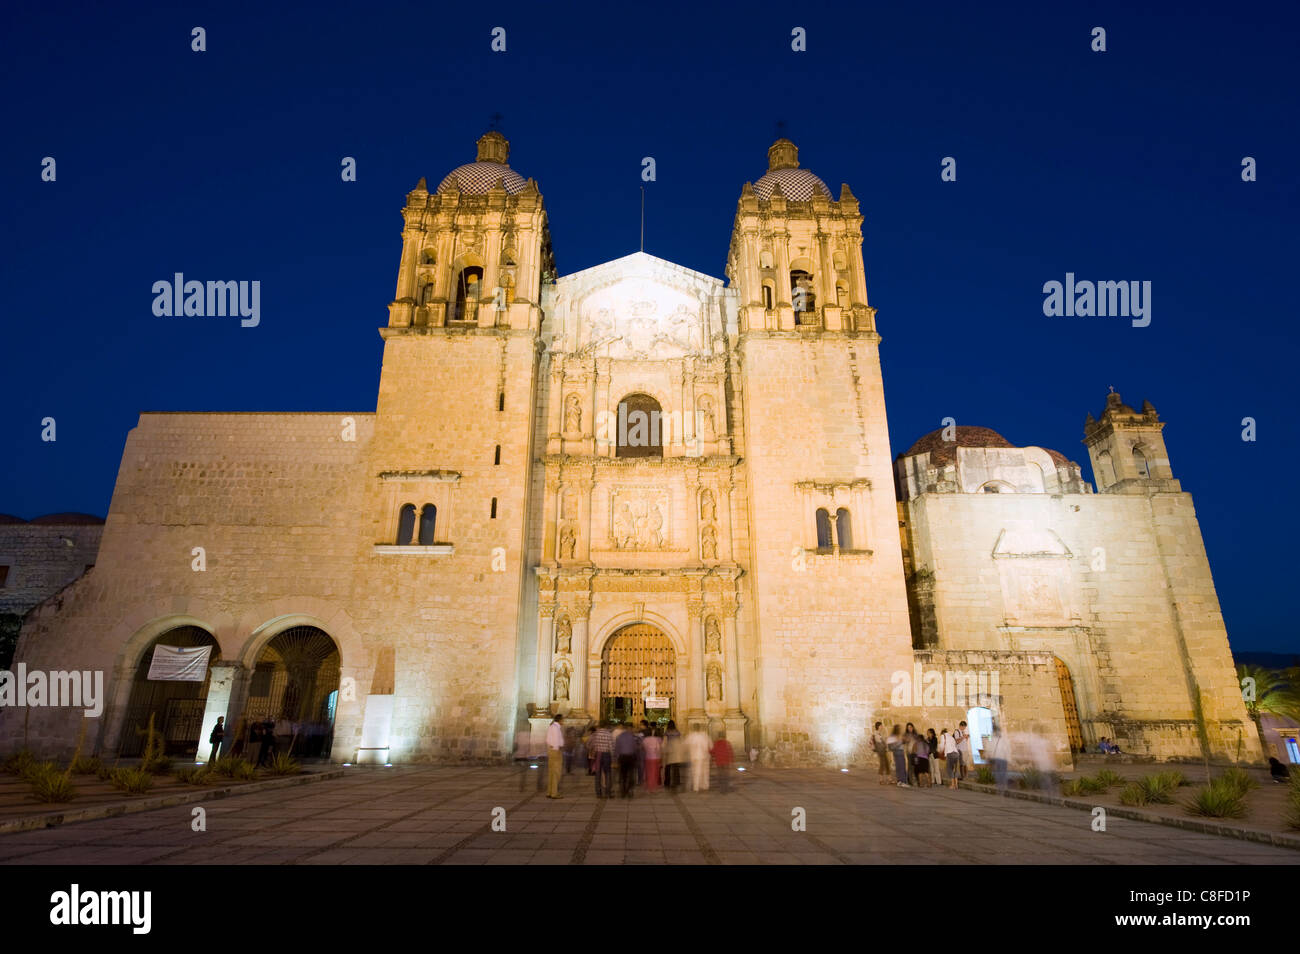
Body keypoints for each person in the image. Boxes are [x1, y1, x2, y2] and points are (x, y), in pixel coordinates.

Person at [614, 720, 641, 798]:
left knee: (623, 774)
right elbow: (635, 748)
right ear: (631, 728)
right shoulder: (633, 737)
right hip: (630, 757)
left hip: (622, 757)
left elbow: (617, 748)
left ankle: (623, 790)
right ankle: (629, 790)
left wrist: (615, 759)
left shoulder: (620, 736)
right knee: (631, 774)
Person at [590, 722, 614, 797]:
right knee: (607, 773)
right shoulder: (609, 734)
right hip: (606, 754)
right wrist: (613, 757)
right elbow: (611, 746)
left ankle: (598, 792)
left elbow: (590, 744)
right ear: (606, 726)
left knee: (598, 774)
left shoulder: (595, 734)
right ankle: (608, 792)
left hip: (598, 755)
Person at [686, 725, 712, 792]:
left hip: (694, 756)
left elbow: (686, 745)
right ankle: (705, 785)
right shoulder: (704, 735)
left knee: (696, 772)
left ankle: (696, 787)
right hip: (704, 756)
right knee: (705, 772)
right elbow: (710, 746)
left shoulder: (691, 736)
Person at [546, 712, 565, 798]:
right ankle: (554, 793)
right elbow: (556, 740)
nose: (563, 721)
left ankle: (550, 792)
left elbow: (548, 739)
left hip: (551, 750)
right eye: (563, 719)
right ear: (560, 720)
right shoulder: (556, 728)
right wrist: (558, 749)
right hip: (556, 751)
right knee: (556, 772)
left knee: (551, 772)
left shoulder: (552, 726)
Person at [663, 721, 685, 791]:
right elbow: (681, 741)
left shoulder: (667, 732)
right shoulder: (677, 732)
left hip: (669, 751)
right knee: (676, 768)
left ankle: (667, 782)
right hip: (676, 751)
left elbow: (664, 742)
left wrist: (663, 750)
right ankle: (676, 782)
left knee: (667, 768)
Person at [871, 721, 891, 786]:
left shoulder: (880, 733)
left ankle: (889, 779)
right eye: (881, 726)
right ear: (878, 726)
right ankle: (881, 780)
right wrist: (884, 742)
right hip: (881, 751)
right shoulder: (876, 733)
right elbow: (880, 741)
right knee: (882, 764)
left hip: (883, 750)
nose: (882, 727)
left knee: (887, 764)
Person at [643, 728, 663, 792]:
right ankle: (654, 786)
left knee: (648, 772)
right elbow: (658, 749)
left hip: (647, 757)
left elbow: (643, 748)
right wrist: (660, 757)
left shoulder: (645, 739)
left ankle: (649, 786)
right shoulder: (655, 739)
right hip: (655, 757)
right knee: (655, 772)